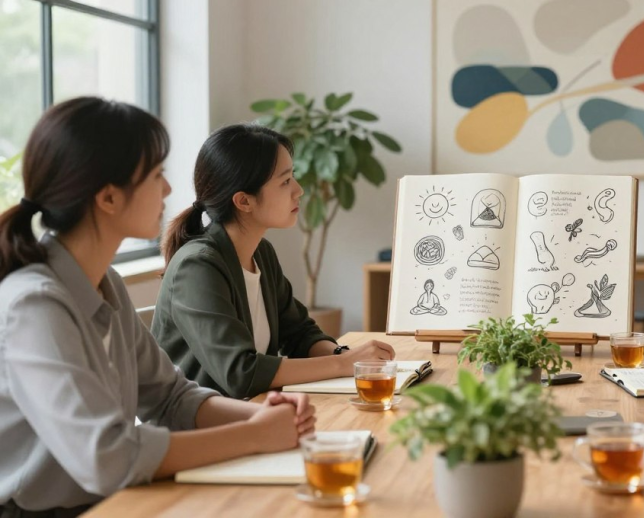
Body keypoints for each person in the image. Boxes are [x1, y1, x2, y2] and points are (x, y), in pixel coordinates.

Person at [0, 98, 315, 516]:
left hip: (115, 499)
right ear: (109, 198)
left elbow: (171, 398)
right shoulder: (34, 306)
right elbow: (106, 458)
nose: (168, 189)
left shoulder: (104, 282)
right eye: (155, 175)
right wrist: (255, 435)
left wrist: (261, 418)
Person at [152, 124, 394, 399]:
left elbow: (300, 334)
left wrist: (349, 358)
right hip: (198, 433)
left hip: (253, 413)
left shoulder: (261, 253)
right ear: (244, 201)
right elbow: (241, 373)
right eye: (285, 181)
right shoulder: (197, 267)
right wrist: (341, 364)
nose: (299, 190)